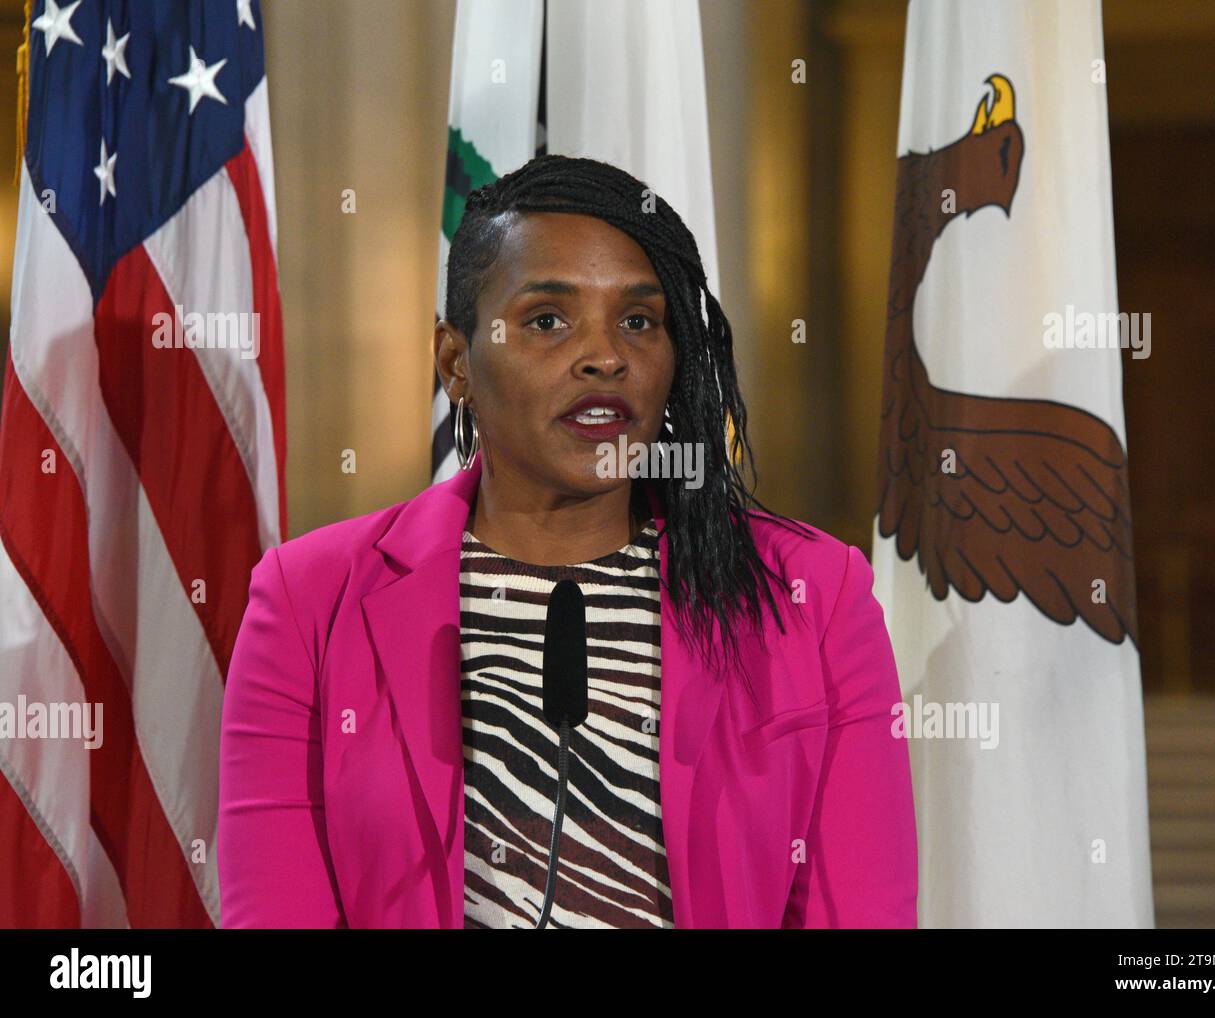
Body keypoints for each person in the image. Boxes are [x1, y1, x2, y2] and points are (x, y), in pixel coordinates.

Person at [217, 154, 917, 929]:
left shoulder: (813, 595)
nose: (604, 356)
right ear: (456, 362)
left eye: (639, 321)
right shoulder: (310, 600)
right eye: (548, 320)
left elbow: (856, 909)